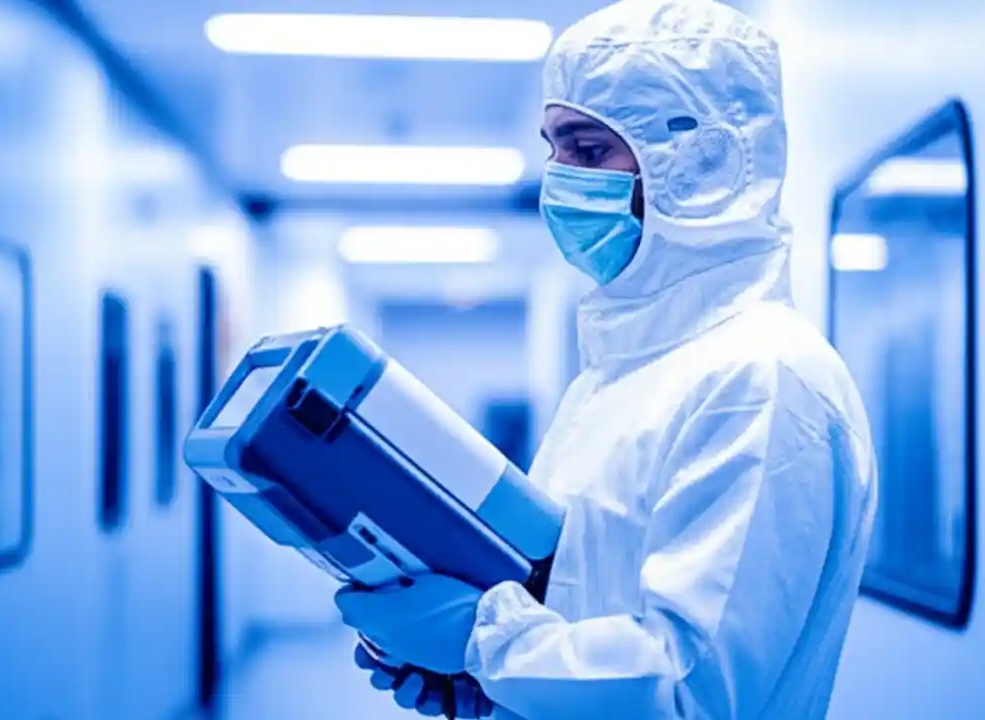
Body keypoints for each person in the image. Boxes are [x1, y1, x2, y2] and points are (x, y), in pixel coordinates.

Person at [335, 1, 878, 717]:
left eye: (588, 151)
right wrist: (490, 691)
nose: (558, 181)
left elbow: (688, 689)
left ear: (706, 164)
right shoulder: (614, 379)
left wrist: (481, 642)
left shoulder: (762, 379)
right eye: (553, 150)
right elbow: (585, 610)